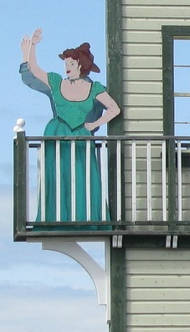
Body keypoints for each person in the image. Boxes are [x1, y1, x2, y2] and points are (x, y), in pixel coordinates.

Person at [20, 28, 120, 222]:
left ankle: (87, 218)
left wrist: (94, 124)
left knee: (83, 175)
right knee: (57, 176)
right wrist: (32, 47)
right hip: (57, 134)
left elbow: (114, 109)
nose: (67, 67)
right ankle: (54, 219)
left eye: (71, 63)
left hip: (81, 136)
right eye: (66, 63)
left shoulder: (94, 88)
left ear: (81, 65)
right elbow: (35, 70)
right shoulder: (57, 82)